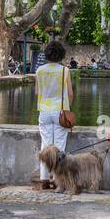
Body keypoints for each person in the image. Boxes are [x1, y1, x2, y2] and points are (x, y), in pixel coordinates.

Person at [34, 41, 73, 191]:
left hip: (44, 111)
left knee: (46, 145)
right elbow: (70, 94)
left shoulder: (40, 71)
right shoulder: (65, 71)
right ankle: (57, 180)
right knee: (59, 146)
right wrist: (67, 107)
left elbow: (37, 92)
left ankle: (44, 179)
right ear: (61, 55)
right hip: (60, 111)